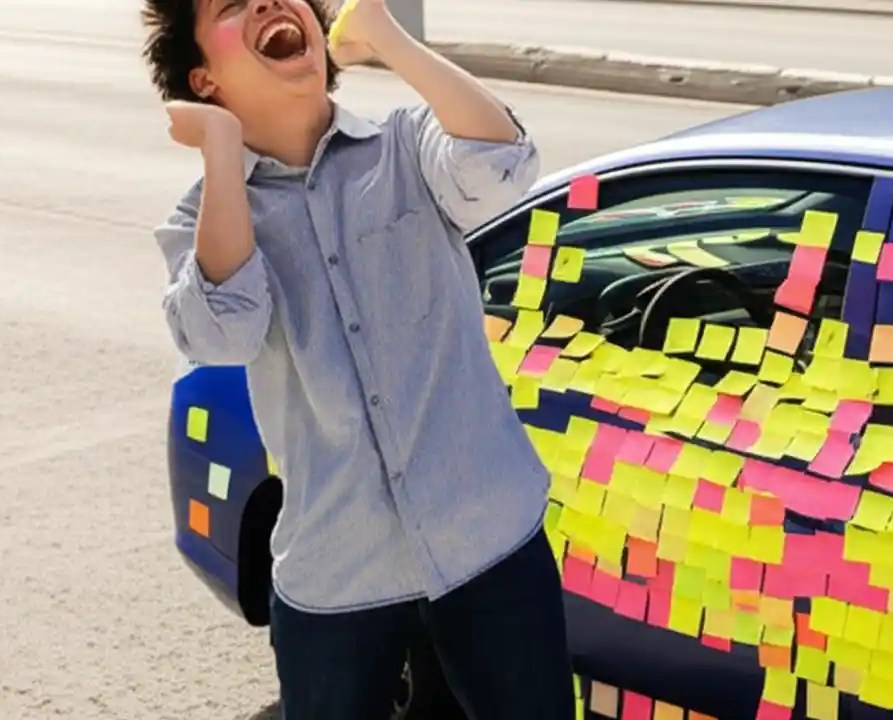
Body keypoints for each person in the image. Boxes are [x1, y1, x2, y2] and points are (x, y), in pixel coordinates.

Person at [138, 0, 573, 717]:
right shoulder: (201, 216)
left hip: (489, 541)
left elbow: (504, 165)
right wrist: (222, 147)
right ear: (203, 78)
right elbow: (224, 334)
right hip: (335, 575)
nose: (272, 4)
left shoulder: (406, 145)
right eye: (233, 4)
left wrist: (386, 36)